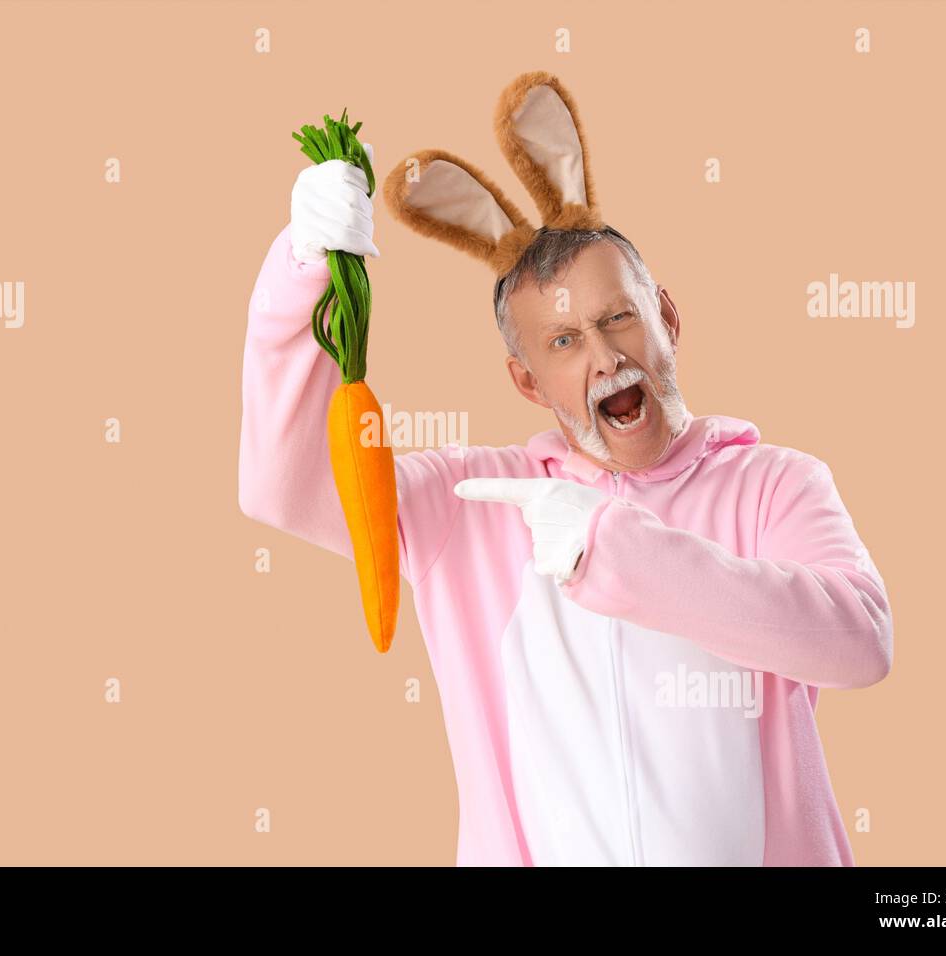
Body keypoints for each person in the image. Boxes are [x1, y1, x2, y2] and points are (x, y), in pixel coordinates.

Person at [240, 74, 893, 866]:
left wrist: (614, 551)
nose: (605, 355)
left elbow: (860, 643)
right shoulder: (469, 505)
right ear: (527, 382)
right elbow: (285, 489)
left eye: (618, 317)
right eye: (563, 342)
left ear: (668, 319)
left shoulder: (775, 484)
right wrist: (302, 270)